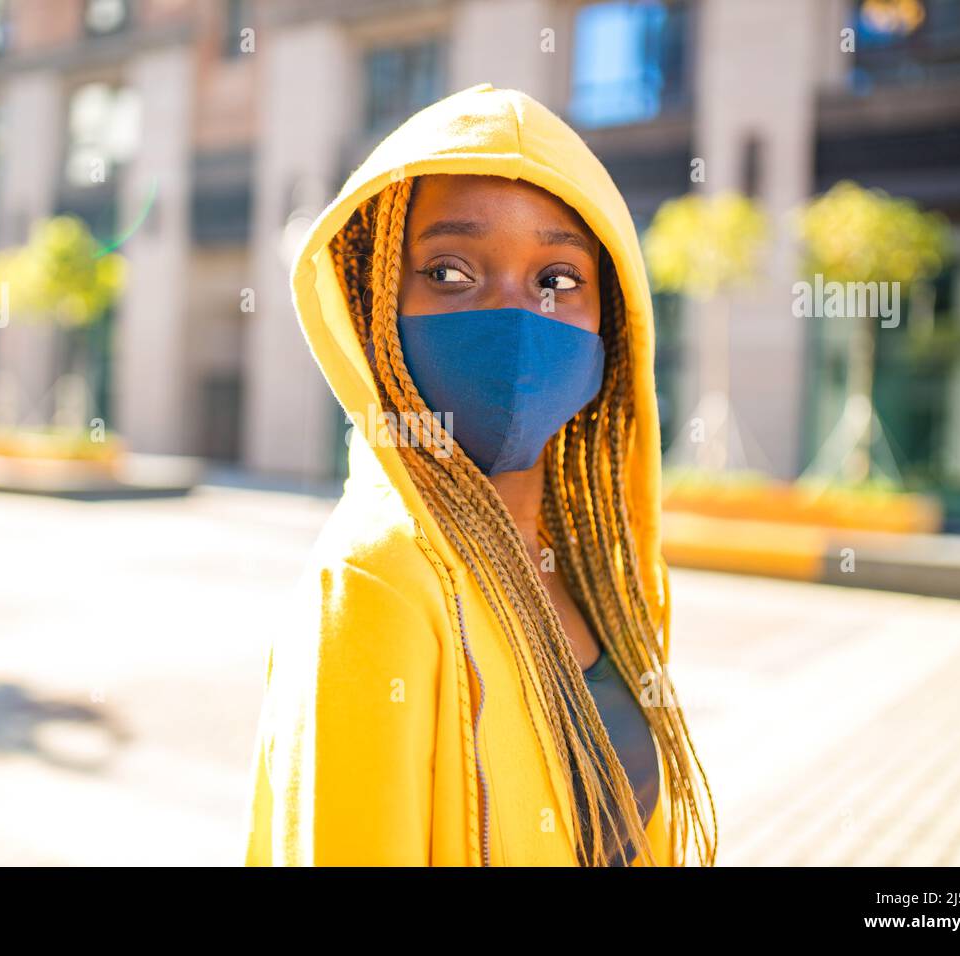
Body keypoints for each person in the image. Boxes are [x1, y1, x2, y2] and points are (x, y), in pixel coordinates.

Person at [242, 82, 717, 866]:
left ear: (613, 329)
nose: (515, 315)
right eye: (451, 271)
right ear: (379, 307)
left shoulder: (603, 571)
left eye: (558, 280)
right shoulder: (375, 577)